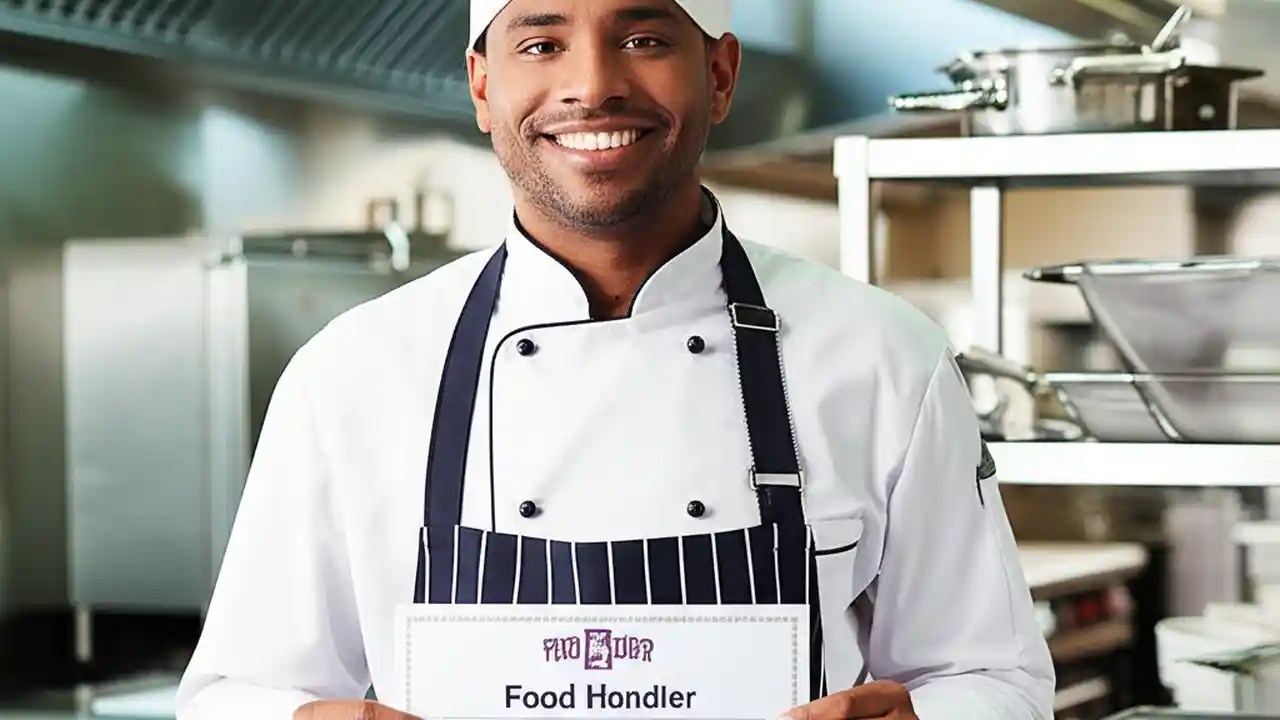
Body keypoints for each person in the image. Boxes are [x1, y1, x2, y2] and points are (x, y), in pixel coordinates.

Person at [175, 0, 1055, 718]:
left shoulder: (883, 356)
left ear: (719, 75)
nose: (592, 85)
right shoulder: (352, 372)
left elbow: (997, 680)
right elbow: (231, 695)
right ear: (482, 86)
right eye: (542, 41)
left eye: (642, 38)